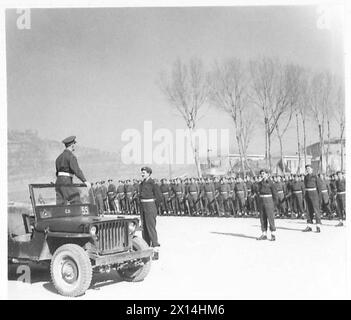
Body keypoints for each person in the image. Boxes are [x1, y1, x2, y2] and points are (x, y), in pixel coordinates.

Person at [55, 135, 91, 205]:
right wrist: (85, 181)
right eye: (74, 144)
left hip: (58, 183)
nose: (75, 145)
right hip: (66, 182)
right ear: (72, 145)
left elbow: (57, 173)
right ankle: (78, 215)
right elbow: (77, 170)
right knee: (75, 197)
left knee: (60, 204)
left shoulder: (58, 158)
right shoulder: (71, 157)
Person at [139, 166, 162, 260]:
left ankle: (155, 250)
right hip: (143, 207)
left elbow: (159, 197)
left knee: (151, 228)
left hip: (150, 207)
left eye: (144, 173)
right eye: (142, 172)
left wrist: (154, 207)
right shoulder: (142, 184)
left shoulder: (153, 183)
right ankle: (147, 250)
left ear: (149, 173)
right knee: (144, 228)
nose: (142, 174)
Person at [256, 169, 278, 241]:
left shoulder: (271, 183)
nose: (262, 175)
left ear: (267, 174)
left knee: (270, 218)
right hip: (262, 201)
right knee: (262, 218)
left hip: (269, 201)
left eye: (263, 173)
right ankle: (264, 234)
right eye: (261, 174)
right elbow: (258, 192)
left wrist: (274, 204)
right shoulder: (259, 183)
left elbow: (275, 194)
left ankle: (273, 234)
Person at [303, 164, 322, 233]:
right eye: (307, 169)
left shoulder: (315, 176)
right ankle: (309, 226)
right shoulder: (305, 177)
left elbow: (319, 187)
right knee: (308, 210)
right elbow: (305, 186)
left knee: (316, 210)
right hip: (308, 194)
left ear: (312, 169)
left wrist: (319, 197)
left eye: (309, 168)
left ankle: (318, 226)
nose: (308, 170)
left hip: (314, 194)